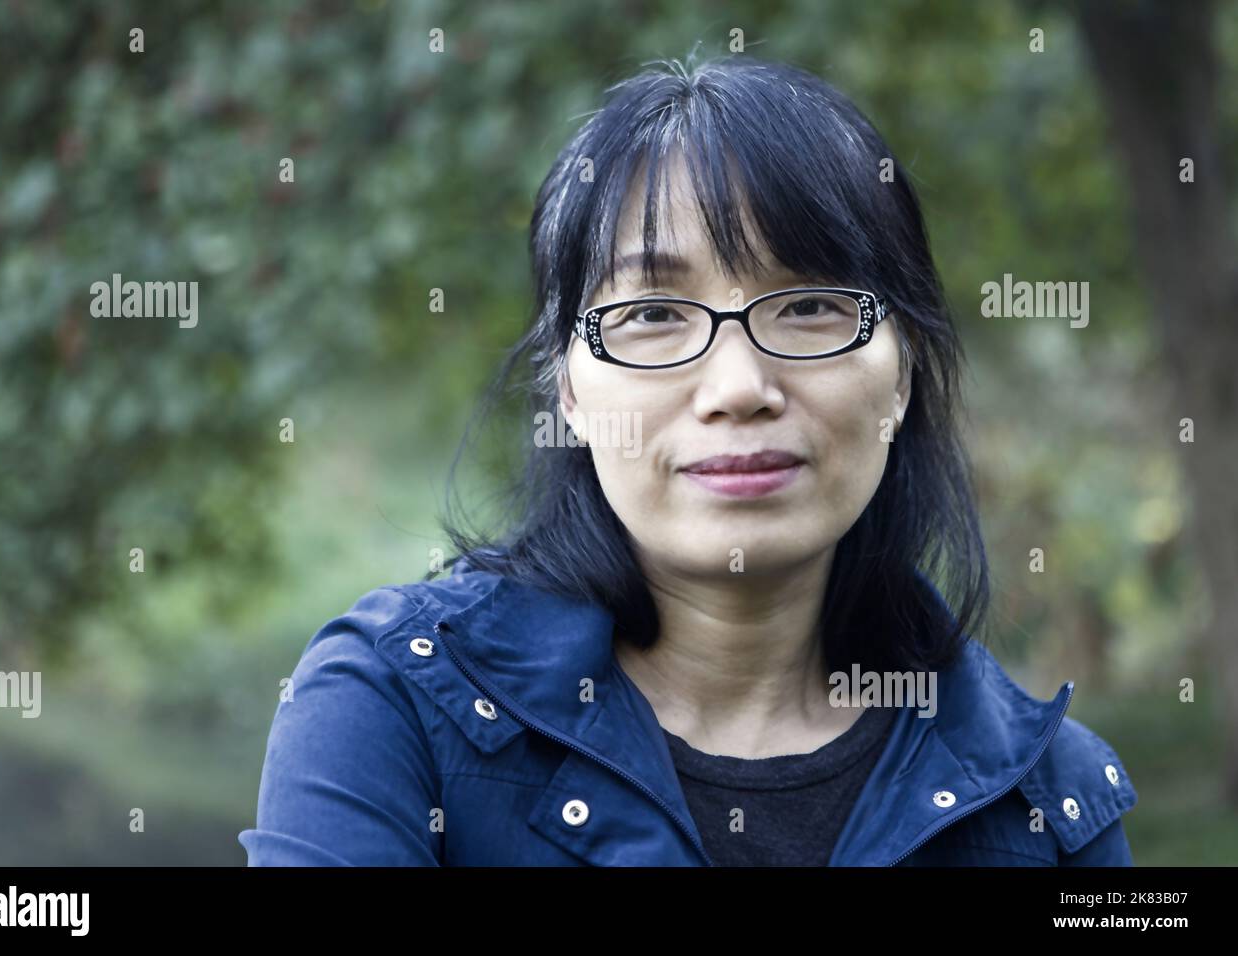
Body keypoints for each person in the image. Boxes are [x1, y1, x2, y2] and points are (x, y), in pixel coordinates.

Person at [239, 54, 1137, 866]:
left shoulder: (1048, 801)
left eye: (811, 306)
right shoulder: (398, 706)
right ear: (570, 394)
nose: (739, 386)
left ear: (901, 377)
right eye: (654, 316)